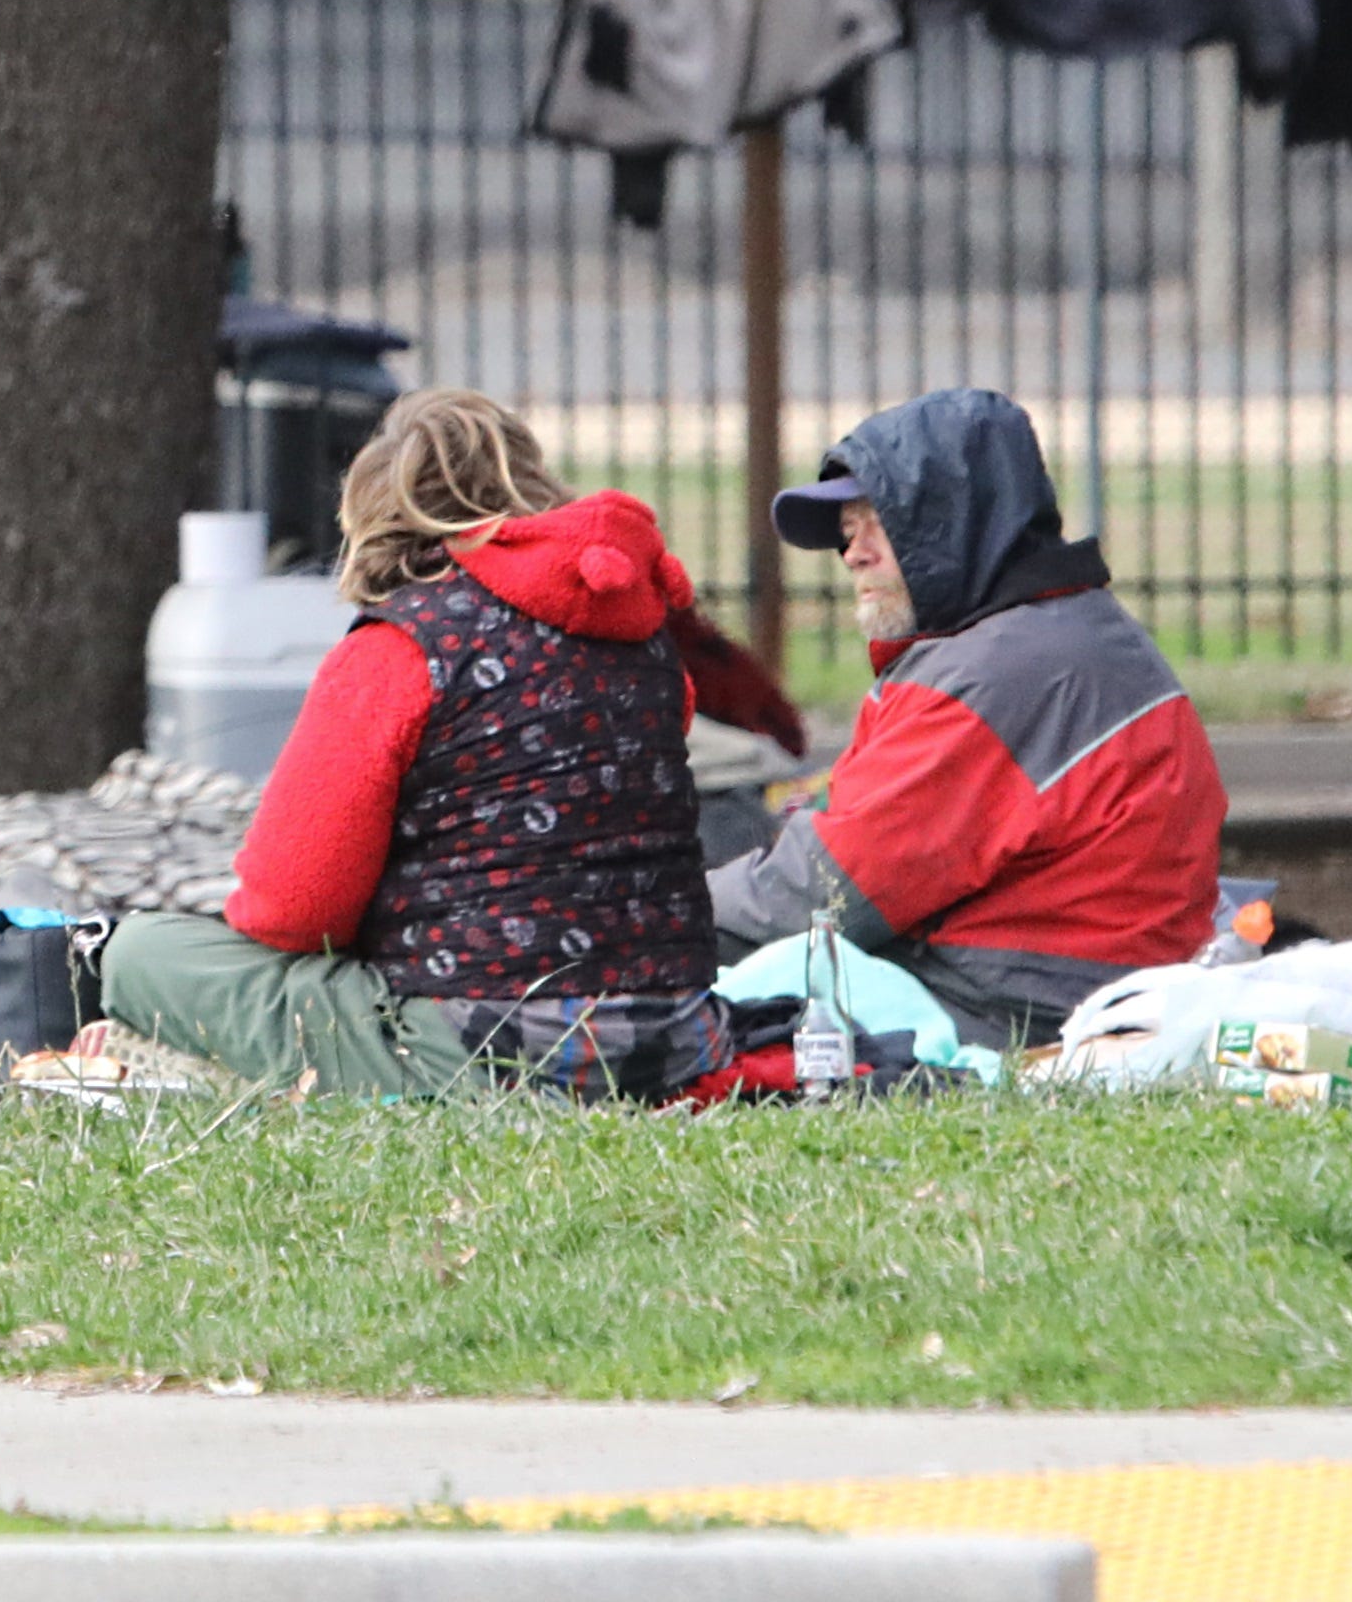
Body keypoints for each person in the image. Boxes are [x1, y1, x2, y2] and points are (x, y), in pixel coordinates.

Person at [101, 389, 728, 1102]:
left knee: (140, 952)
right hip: (677, 1036)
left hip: (481, 1046)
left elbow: (291, 910)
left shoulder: (403, 643)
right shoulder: (644, 637)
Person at [707, 387, 1223, 1051]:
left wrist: (640, 914)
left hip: (1018, 1011)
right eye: (847, 529)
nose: (853, 552)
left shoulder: (995, 676)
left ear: (952, 522)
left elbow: (823, 897)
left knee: (717, 1002)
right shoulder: (1064, 635)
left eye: (877, 521)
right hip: (1069, 989)